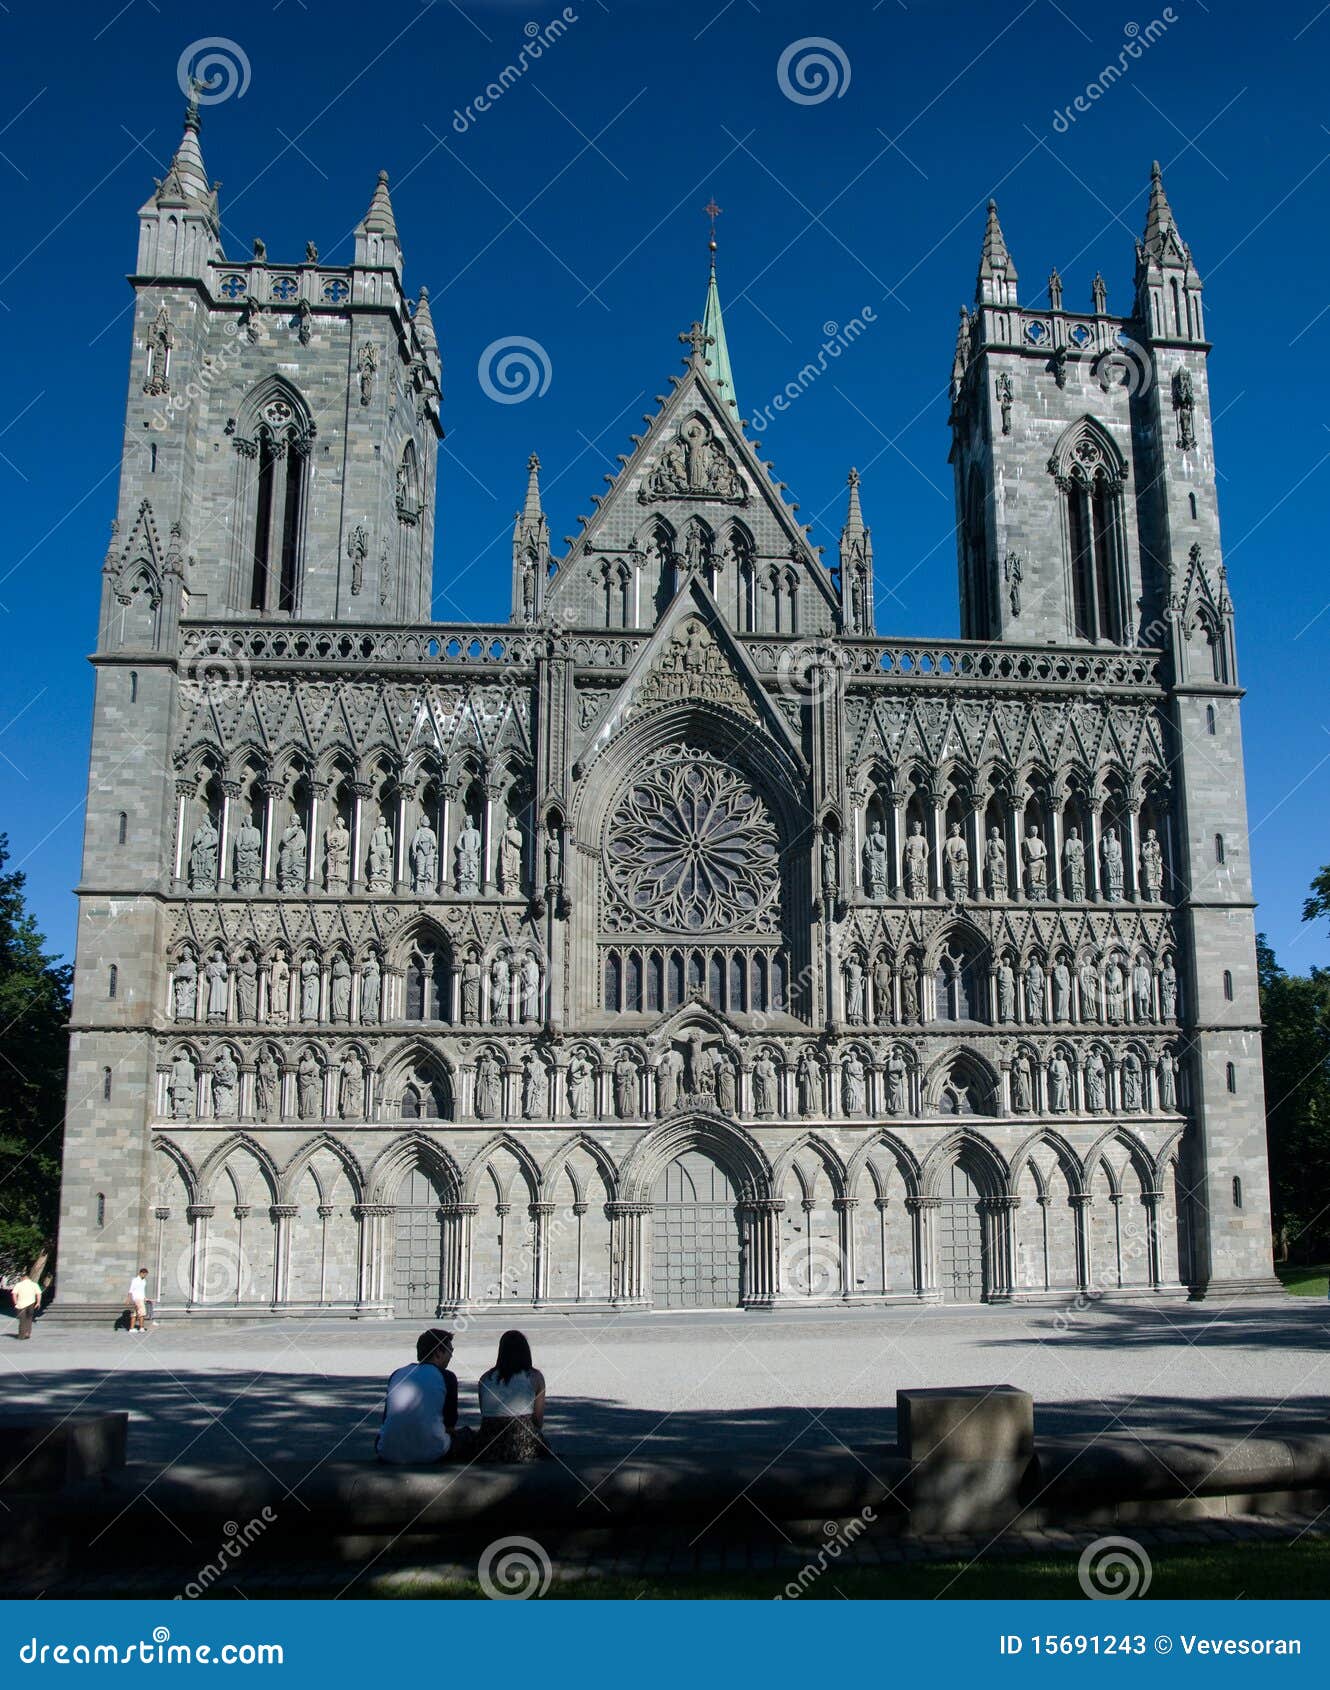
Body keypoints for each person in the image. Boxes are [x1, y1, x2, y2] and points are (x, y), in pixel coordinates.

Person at [376, 1329, 466, 1465]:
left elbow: (386, 1418)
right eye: (450, 1351)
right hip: (432, 1453)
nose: (451, 1356)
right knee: (466, 1436)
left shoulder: (397, 1374)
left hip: (388, 1452)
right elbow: (450, 1423)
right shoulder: (447, 1377)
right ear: (438, 1352)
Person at [475, 1329, 550, 1464]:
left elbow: (485, 1413)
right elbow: (538, 1421)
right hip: (523, 1443)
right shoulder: (535, 1377)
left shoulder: (485, 1378)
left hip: (489, 1445)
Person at [11, 1271, 41, 1339]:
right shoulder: (34, 1284)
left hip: (21, 1304)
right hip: (31, 1303)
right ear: (29, 1279)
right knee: (29, 1319)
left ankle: (21, 1335)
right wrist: (38, 1302)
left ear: (23, 1278)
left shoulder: (18, 1285)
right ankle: (27, 1333)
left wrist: (15, 1303)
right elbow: (38, 1294)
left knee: (22, 1320)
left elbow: (14, 1294)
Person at [127, 1267, 150, 1332]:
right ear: (141, 1273)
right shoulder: (135, 1280)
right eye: (144, 1274)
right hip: (137, 1299)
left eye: (146, 1275)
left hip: (141, 1298)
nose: (145, 1276)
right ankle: (141, 1328)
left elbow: (142, 1290)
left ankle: (131, 1328)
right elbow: (131, 1290)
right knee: (142, 1313)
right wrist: (128, 1299)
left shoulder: (144, 1280)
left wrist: (145, 1297)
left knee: (134, 1314)